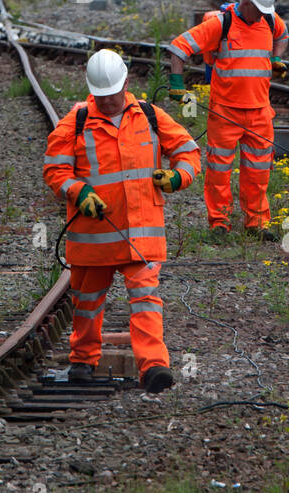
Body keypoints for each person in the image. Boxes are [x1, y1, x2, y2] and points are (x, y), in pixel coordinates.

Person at [43, 49, 201, 393]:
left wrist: (177, 178)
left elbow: (188, 151)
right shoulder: (76, 121)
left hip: (140, 236)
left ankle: (154, 366)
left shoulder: (149, 115)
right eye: (102, 96)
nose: (109, 102)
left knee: (146, 300)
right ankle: (83, 360)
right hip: (93, 238)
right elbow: (54, 170)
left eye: (113, 94)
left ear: (126, 84)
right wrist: (78, 192)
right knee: (87, 303)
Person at [169, 0, 288, 236]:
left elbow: (283, 34)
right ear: (245, 3)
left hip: (260, 112)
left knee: (258, 171)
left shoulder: (269, 20)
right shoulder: (220, 24)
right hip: (225, 112)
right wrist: (176, 83)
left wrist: (277, 57)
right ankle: (219, 222)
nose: (261, 15)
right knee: (219, 170)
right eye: (258, 10)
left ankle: (256, 223)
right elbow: (179, 47)